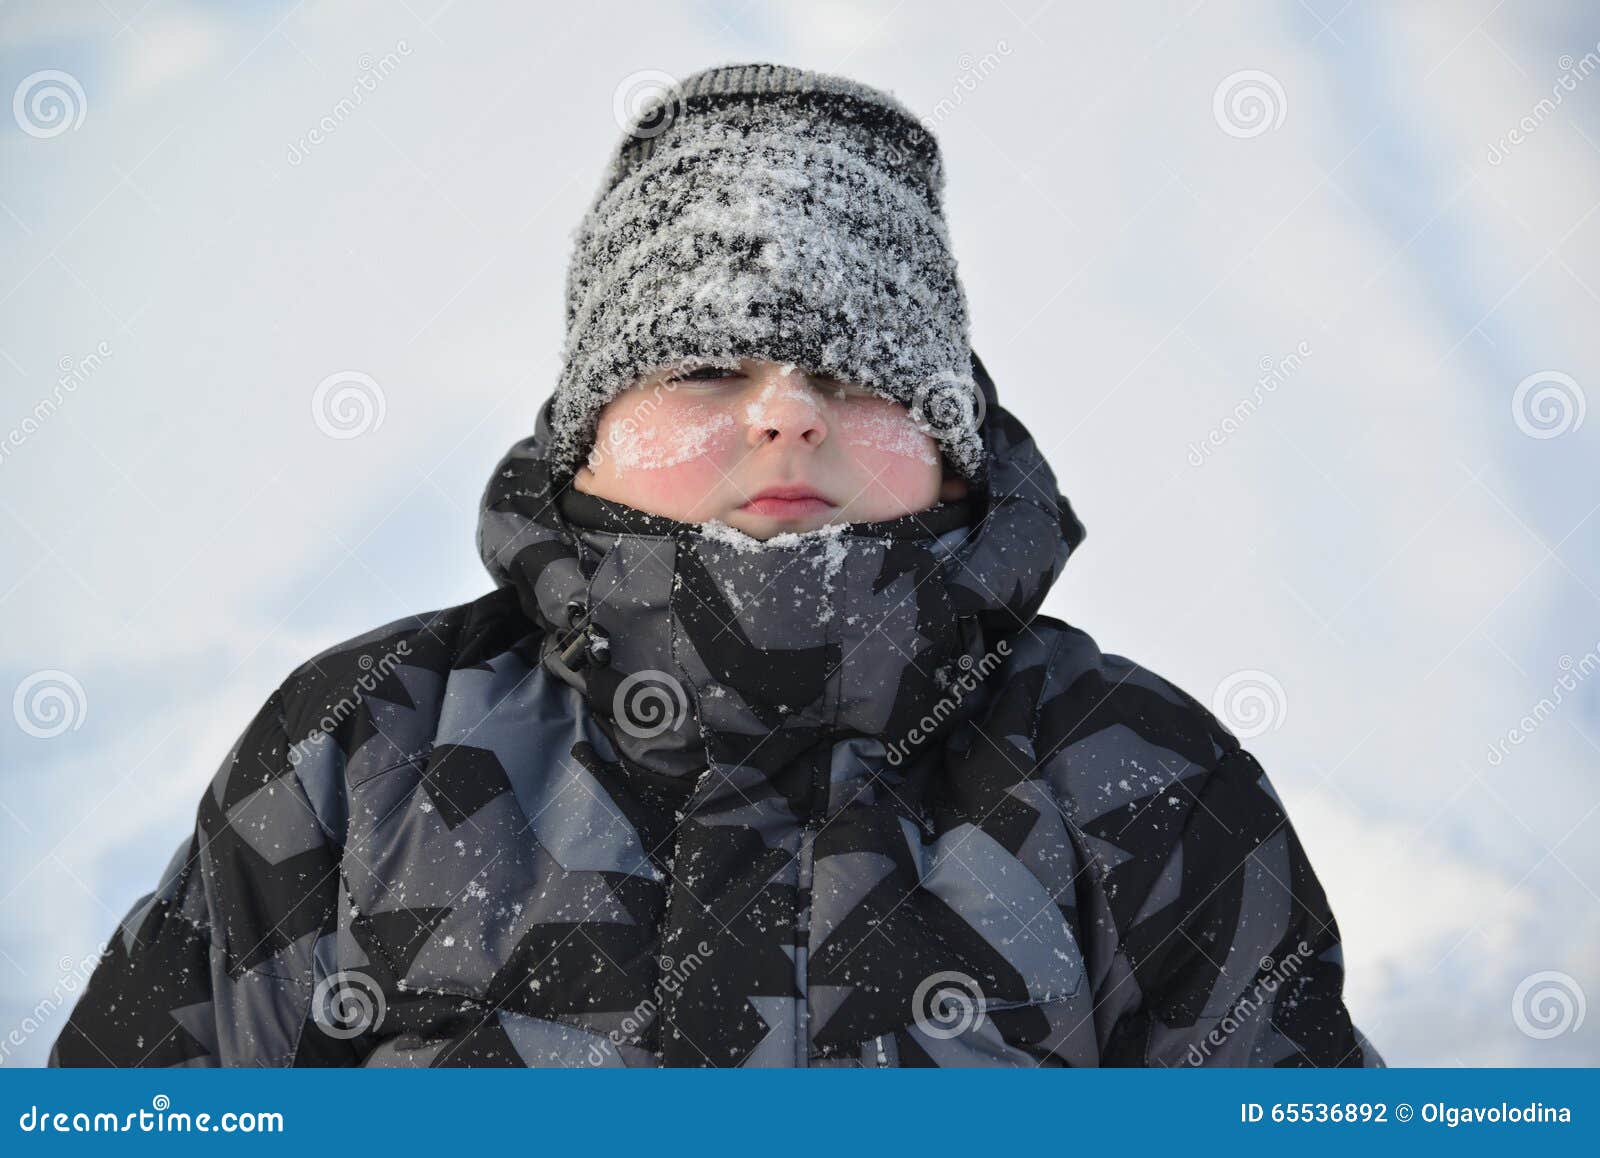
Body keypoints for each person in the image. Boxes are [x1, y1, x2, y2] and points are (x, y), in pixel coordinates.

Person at [49, 61, 1382, 1068]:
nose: (787, 413)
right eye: (705, 368)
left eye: (859, 374)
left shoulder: (1132, 769)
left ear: (952, 444)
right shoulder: (364, 741)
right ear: (590, 440)